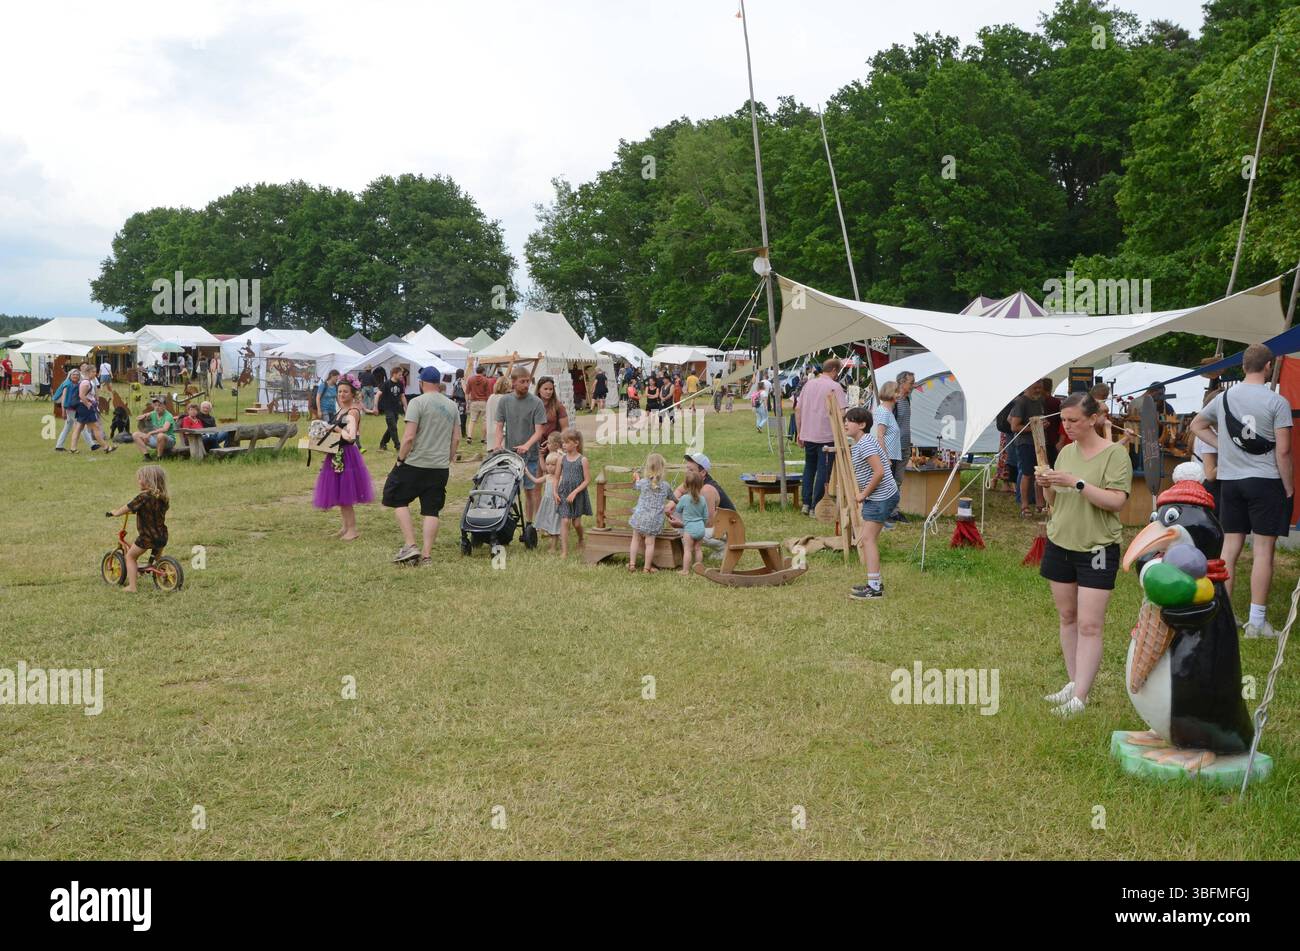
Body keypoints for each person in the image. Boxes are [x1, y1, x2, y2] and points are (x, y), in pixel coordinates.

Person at [1034, 391, 1133, 717]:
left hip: (1097, 547)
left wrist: (1077, 483)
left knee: (1090, 625)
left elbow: (1116, 502)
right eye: (1063, 420)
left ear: (1094, 419)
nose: (1067, 426)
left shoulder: (1115, 455)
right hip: (1061, 541)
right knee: (1067, 617)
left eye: (1073, 420)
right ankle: (1074, 683)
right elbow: (1053, 503)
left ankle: (1081, 697)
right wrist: (1046, 483)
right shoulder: (1064, 453)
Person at [1190, 344, 1293, 638]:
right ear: (1268, 366)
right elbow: (1283, 452)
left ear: (1244, 366)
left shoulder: (1223, 399)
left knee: (1229, 549)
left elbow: (1197, 425)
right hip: (1265, 480)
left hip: (1231, 481)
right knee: (1263, 551)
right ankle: (1257, 622)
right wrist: (1288, 487)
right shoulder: (1277, 402)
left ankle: (1223, 615)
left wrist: (1224, 445)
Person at [385, 366, 460, 565]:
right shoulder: (451, 405)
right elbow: (457, 438)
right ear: (438, 383)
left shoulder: (416, 402)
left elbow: (409, 437)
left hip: (415, 463)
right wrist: (449, 458)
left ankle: (410, 545)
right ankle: (426, 555)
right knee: (431, 510)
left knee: (398, 499)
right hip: (439, 466)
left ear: (421, 382)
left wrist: (400, 459)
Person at [843, 406, 898, 601]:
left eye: (850, 420)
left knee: (867, 539)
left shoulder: (865, 443)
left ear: (862, 425)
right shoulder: (861, 443)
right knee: (868, 539)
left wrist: (862, 494)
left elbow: (879, 471)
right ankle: (874, 582)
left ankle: (874, 588)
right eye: (845, 420)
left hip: (881, 497)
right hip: (879, 496)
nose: (846, 423)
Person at [313, 377, 372, 541]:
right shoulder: (340, 410)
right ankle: (345, 526)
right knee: (339, 493)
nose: (342, 394)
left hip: (346, 455)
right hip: (335, 452)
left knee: (345, 494)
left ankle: (352, 529)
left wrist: (335, 428)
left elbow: (351, 437)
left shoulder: (352, 412)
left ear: (353, 394)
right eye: (339, 391)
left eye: (345, 391)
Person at [794, 357, 847, 516]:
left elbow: (798, 409)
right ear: (834, 371)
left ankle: (806, 502)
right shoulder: (835, 386)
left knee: (809, 468)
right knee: (823, 471)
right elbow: (842, 412)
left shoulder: (808, 384)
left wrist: (799, 431)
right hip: (826, 436)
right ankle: (814, 505)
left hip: (808, 433)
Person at [494, 366, 548, 520]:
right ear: (514, 382)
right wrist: (498, 444)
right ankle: (505, 520)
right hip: (510, 455)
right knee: (507, 489)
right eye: (522, 381)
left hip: (530, 455)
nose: (526, 385)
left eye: (528, 381)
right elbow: (499, 427)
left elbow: (539, 431)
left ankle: (529, 523)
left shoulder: (536, 403)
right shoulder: (505, 401)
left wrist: (527, 445)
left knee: (529, 490)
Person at [106, 465, 169, 593]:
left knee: (130, 557)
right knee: (158, 560)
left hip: (147, 537)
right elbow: (150, 511)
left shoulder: (143, 497)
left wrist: (116, 513)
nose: (138, 481)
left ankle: (132, 587)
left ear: (148, 481)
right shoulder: (163, 498)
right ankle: (165, 576)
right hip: (162, 535)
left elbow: (129, 506)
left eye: (140, 478)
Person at [628, 451, 673, 573]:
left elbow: (635, 486)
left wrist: (636, 478)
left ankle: (632, 564)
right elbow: (672, 498)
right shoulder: (666, 486)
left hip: (640, 517)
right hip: (654, 520)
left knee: (635, 539)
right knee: (650, 544)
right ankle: (646, 568)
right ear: (662, 469)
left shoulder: (643, 482)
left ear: (648, 468)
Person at [1008, 381, 1045, 516]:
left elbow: (1009, 418)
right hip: (1025, 443)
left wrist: (1043, 424)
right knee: (1027, 474)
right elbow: (1014, 426)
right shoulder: (1021, 402)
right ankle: (1024, 506)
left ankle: (1040, 504)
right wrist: (1035, 428)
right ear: (1027, 388)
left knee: (1041, 472)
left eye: (1040, 388)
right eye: (1035, 388)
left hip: (1039, 441)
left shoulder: (1039, 400)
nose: (1038, 390)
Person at [554, 427, 592, 558]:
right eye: (562, 442)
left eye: (566, 442)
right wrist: (555, 492)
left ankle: (581, 538)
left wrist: (575, 492)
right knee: (565, 521)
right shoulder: (561, 459)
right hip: (564, 493)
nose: (564, 445)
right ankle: (564, 552)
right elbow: (556, 477)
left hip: (578, 494)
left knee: (576, 523)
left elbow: (587, 480)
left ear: (576, 443)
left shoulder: (583, 460)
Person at [873, 380, 903, 525]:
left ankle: (888, 513)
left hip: (892, 455)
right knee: (886, 486)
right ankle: (884, 515)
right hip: (888, 456)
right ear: (891, 393)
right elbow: (880, 435)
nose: (899, 395)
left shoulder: (888, 412)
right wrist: (885, 458)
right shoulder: (884, 412)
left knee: (889, 485)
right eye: (897, 392)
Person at [675, 468, 713, 575]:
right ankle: (699, 569)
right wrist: (703, 525)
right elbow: (706, 516)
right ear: (701, 485)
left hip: (689, 529)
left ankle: (685, 570)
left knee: (687, 550)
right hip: (700, 528)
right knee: (698, 549)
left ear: (686, 485)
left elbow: (678, 509)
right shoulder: (702, 499)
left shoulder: (684, 498)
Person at [70, 366, 113, 453]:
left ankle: (73, 448)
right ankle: (106, 447)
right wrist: (88, 405)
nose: (95, 373)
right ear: (88, 372)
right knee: (95, 427)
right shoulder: (86, 383)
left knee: (79, 427)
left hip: (83, 407)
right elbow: (81, 395)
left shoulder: (88, 382)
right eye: (93, 372)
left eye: (95, 371)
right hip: (85, 408)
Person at [52, 368, 96, 452]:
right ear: (70, 375)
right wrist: (63, 411)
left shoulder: (76, 384)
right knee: (81, 425)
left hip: (73, 408)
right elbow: (64, 399)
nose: (75, 376)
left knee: (67, 427)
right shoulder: (68, 385)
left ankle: (59, 446)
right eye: (73, 375)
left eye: (77, 375)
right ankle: (92, 444)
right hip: (70, 409)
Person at [530, 449, 563, 550]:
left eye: (552, 464)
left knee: (554, 525)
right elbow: (535, 480)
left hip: (556, 505)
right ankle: (553, 542)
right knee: (548, 524)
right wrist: (526, 472)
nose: (549, 467)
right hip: (547, 504)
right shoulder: (547, 477)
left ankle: (553, 547)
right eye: (547, 464)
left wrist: (562, 455)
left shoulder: (561, 478)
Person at [895, 371, 915, 514]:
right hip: (895, 447)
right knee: (893, 480)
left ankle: (894, 510)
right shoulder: (894, 401)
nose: (913, 386)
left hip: (905, 445)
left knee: (898, 480)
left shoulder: (907, 400)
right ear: (902, 383)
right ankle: (890, 512)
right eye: (911, 383)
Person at [535, 376, 569, 451]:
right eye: (545, 389)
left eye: (551, 389)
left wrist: (553, 442)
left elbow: (565, 429)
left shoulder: (558, 406)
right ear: (539, 390)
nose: (548, 391)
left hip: (554, 445)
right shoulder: (532, 405)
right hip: (535, 445)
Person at [377, 367, 407, 451]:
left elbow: (402, 396)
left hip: (396, 409)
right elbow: (378, 394)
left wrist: (406, 408)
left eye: (401, 375)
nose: (401, 376)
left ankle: (383, 444)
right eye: (400, 375)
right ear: (394, 374)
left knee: (391, 427)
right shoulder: (386, 383)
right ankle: (398, 446)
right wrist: (375, 407)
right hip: (388, 408)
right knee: (393, 427)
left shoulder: (400, 384)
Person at [464, 363, 493, 443]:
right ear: (483, 371)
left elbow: (467, 392)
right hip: (484, 402)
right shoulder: (486, 380)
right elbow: (488, 393)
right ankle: (483, 439)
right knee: (485, 421)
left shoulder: (470, 379)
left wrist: (467, 402)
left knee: (472, 420)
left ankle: (469, 437)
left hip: (474, 402)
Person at [451, 368, 467, 437]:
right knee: (463, 417)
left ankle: (456, 431)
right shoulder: (462, 381)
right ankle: (463, 433)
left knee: (457, 417)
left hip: (456, 401)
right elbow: (465, 391)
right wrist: (468, 401)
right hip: (462, 401)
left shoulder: (455, 382)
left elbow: (452, 392)